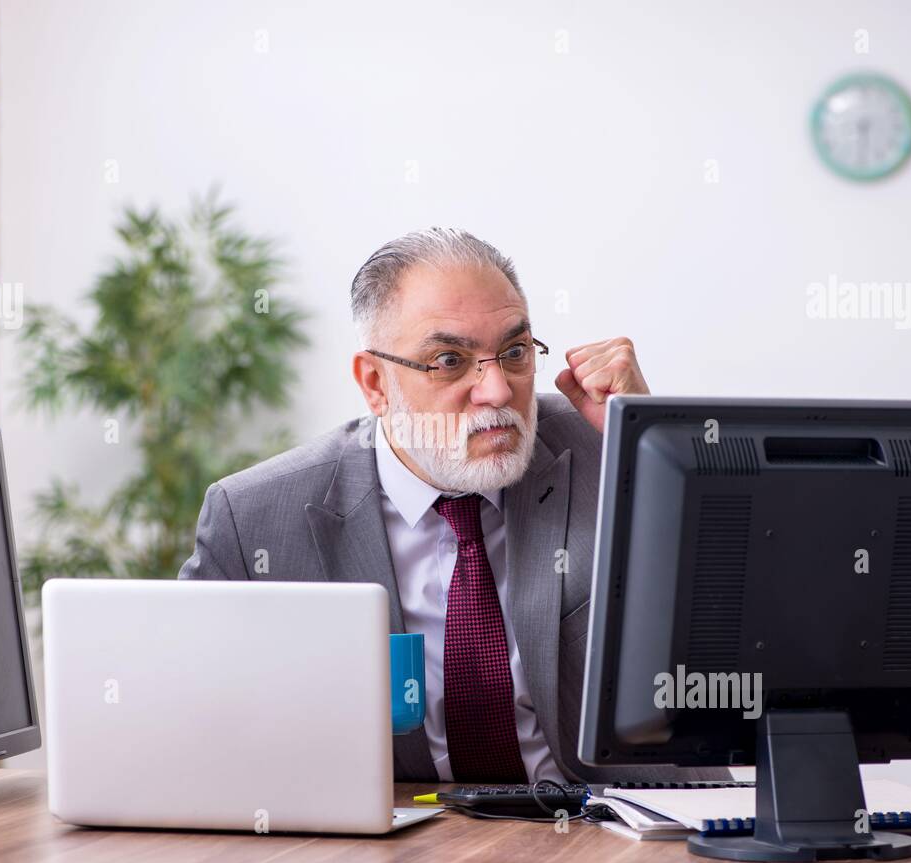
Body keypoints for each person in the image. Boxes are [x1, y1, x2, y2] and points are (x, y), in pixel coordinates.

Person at [180, 227, 723, 785]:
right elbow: (189, 729)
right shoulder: (255, 521)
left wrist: (660, 457)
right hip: (397, 843)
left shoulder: (609, 447)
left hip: (607, 836)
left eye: (514, 353)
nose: (496, 391)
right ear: (375, 383)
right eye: (449, 360)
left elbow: (749, 643)